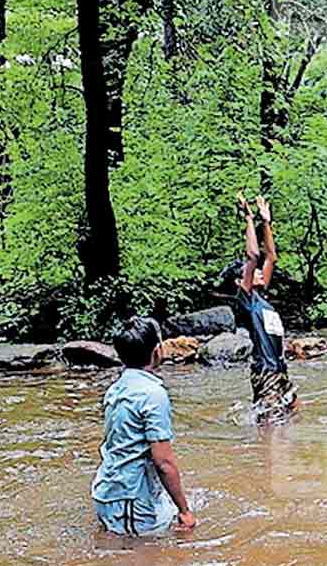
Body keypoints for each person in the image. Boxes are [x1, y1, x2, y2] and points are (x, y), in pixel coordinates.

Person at [92, 317, 197, 535]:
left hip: (109, 490)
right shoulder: (153, 394)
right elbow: (164, 463)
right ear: (157, 350)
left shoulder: (116, 388)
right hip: (129, 500)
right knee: (141, 559)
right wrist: (185, 511)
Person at [219, 194, 298, 422]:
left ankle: (270, 456)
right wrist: (249, 218)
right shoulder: (245, 300)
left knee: (291, 418)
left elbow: (271, 257)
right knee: (272, 426)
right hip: (266, 371)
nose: (260, 271)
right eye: (254, 271)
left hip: (280, 370)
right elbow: (253, 255)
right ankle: (267, 457)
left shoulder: (261, 298)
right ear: (240, 280)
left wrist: (266, 222)